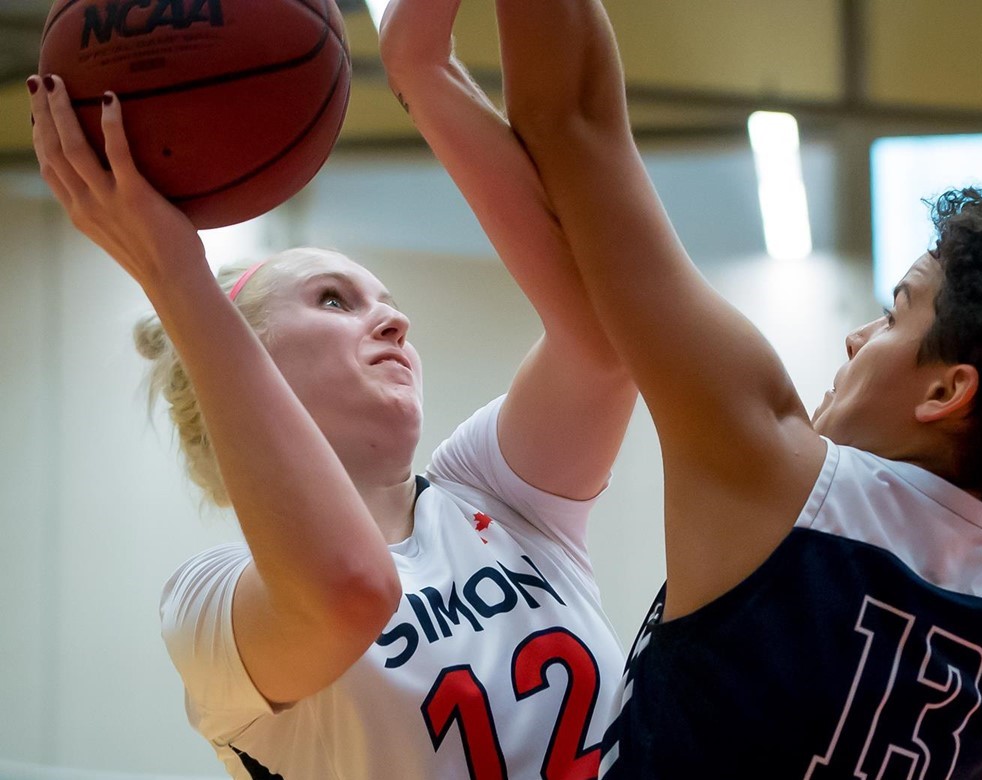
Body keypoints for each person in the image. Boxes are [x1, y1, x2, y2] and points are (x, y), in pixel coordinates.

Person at [484, 0, 982, 776]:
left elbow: (574, 120)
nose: (858, 336)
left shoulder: (780, 484)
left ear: (947, 393)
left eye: (894, 315)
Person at [24, 0, 637, 774]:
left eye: (388, 304)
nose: (395, 323)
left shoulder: (489, 494)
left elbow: (602, 341)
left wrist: (426, 71)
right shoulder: (208, 604)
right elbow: (349, 589)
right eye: (335, 301)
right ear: (245, 358)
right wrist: (174, 274)